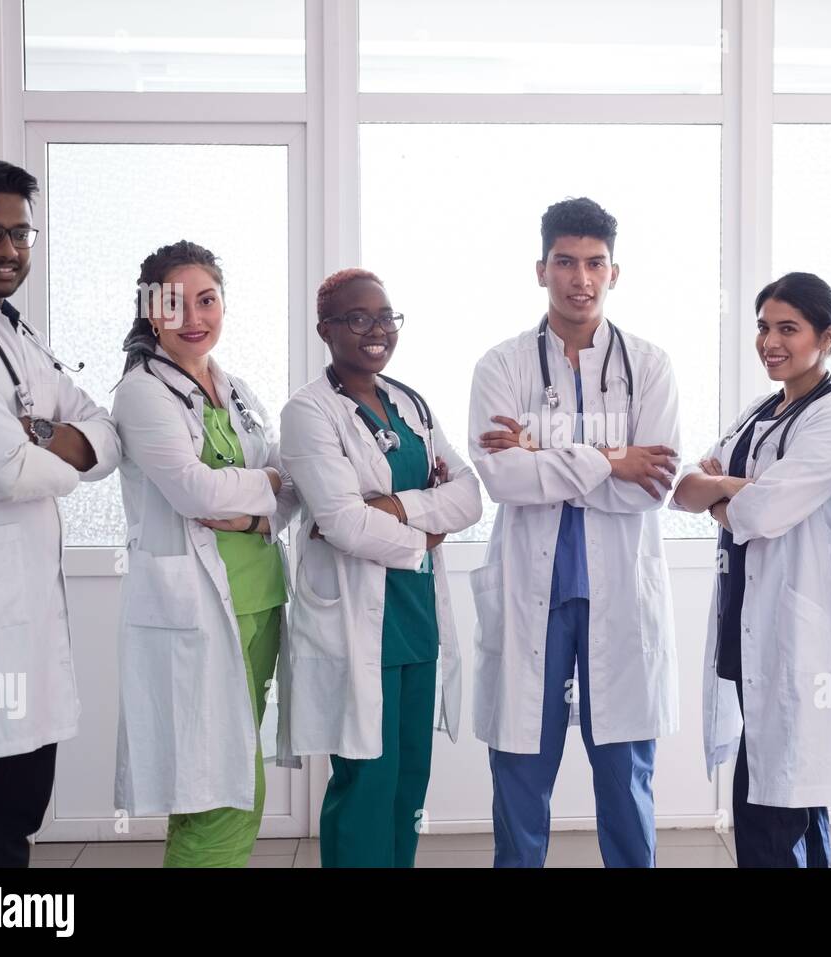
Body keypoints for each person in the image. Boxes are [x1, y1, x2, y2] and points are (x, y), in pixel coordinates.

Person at [468, 197, 681, 867]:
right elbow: (503, 480)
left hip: (615, 595)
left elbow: (653, 487)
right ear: (541, 269)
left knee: (624, 781)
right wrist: (612, 455)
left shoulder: (650, 365)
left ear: (615, 272)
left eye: (594, 263)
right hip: (536, 592)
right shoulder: (500, 366)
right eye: (565, 262)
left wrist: (546, 452)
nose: (579, 278)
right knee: (521, 776)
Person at [0, 160, 121, 867]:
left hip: (29, 641)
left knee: (12, 833)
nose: (8, 250)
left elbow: (105, 429)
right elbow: (2, 469)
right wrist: (36, 445)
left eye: (19, 233)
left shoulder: (16, 331)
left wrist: (36, 442)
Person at [279, 268, 482, 867]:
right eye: (359, 318)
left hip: (417, 620)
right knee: (365, 781)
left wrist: (396, 506)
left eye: (386, 317)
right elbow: (342, 524)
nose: (377, 330)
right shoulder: (308, 412)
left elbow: (470, 495)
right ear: (326, 329)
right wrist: (425, 535)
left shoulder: (410, 402)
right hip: (356, 622)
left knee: (408, 782)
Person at [112, 240, 300, 867]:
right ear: (149, 310)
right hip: (196, 610)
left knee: (227, 781)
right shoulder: (142, 393)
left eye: (207, 299)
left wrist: (252, 504)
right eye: (175, 302)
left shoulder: (236, 388)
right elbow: (193, 490)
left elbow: (290, 482)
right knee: (218, 788)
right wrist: (266, 490)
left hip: (261, 599)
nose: (194, 316)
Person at [670, 271, 831, 867]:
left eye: (788, 328)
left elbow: (762, 512)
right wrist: (732, 487)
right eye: (763, 326)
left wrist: (727, 496)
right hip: (748, 616)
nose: (770, 341)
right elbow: (683, 488)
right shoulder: (764, 407)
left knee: (781, 804)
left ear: (826, 336)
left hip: (794, 622)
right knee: (772, 792)